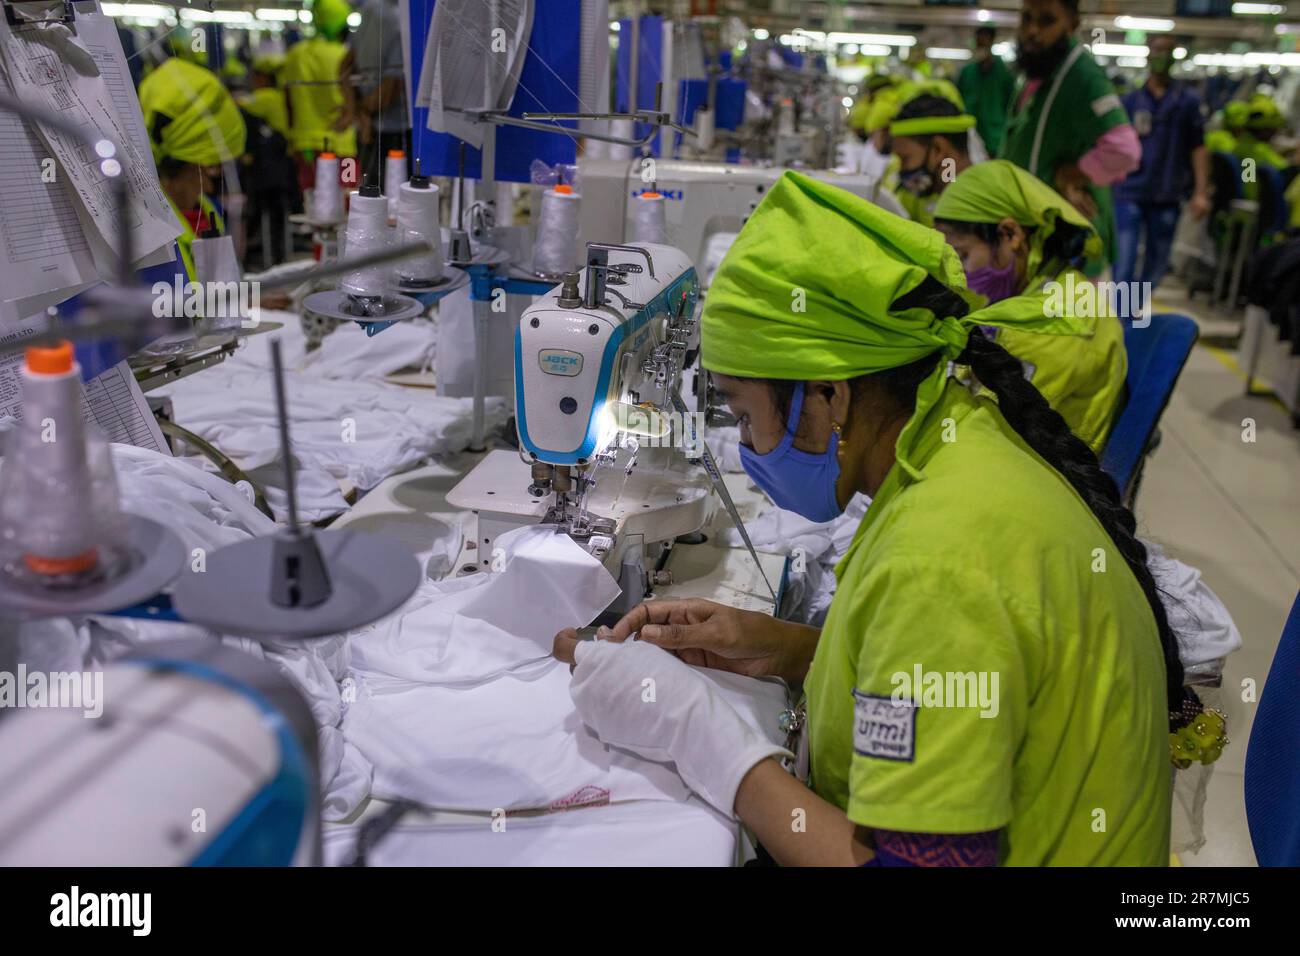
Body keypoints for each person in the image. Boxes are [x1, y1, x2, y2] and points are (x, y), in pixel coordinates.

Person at [552, 171, 1202, 866]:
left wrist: (702, 736)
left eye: (744, 415)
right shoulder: (959, 439)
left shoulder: (938, 558)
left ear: (828, 396)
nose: (744, 446)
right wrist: (791, 651)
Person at [934, 160, 1126, 453]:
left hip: (1042, 475)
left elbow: (989, 434)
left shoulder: (1054, 324)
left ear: (1010, 235)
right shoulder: (1042, 287)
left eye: (963, 254)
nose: (959, 273)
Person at [1001, 0, 1140, 268]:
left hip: (1070, 248)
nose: (1032, 30)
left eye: (1047, 21)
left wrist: (1072, 174)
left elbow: (1124, 150)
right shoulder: (1038, 72)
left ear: (1072, 24)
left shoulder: (1082, 75)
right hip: (1035, 239)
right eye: (1026, 18)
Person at [1112, 34, 1210, 295]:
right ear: (1147, 55)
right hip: (1128, 192)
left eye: (1167, 51)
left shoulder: (1187, 102)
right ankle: (1121, 321)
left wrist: (1201, 191)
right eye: (1156, 50)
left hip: (1167, 193)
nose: (1160, 57)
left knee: (1156, 265)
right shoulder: (1130, 102)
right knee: (1124, 261)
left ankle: (1131, 312)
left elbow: (1198, 148)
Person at [139, 55, 247, 281]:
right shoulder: (149, 229)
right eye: (215, 163)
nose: (218, 172)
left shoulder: (208, 210)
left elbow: (220, 284)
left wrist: (246, 296)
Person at [340, 0, 410, 189]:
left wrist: (355, 111)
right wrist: (362, 111)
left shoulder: (367, 11)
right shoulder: (401, 19)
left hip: (367, 129)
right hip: (396, 131)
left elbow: (344, 69)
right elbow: (391, 87)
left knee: (369, 200)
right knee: (398, 205)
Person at [282, 0, 357, 164]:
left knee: (311, 188)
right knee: (347, 187)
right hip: (343, 143)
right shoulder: (344, 55)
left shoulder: (295, 53)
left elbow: (286, 99)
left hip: (305, 144)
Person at [888, 93, 976, 225]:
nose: (901, 169)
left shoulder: (979, 212)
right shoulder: (920, 199)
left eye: (905, 158)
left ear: (938, 148)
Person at [956, 25, 1015, 156]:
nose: (981, 45)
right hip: (969, 134)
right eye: (979, 42)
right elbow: (958, 100)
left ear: (992, 41)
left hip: (994, 137)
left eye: (985, 41)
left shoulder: (1005, 73)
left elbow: (1011, 104)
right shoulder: (967, 73)